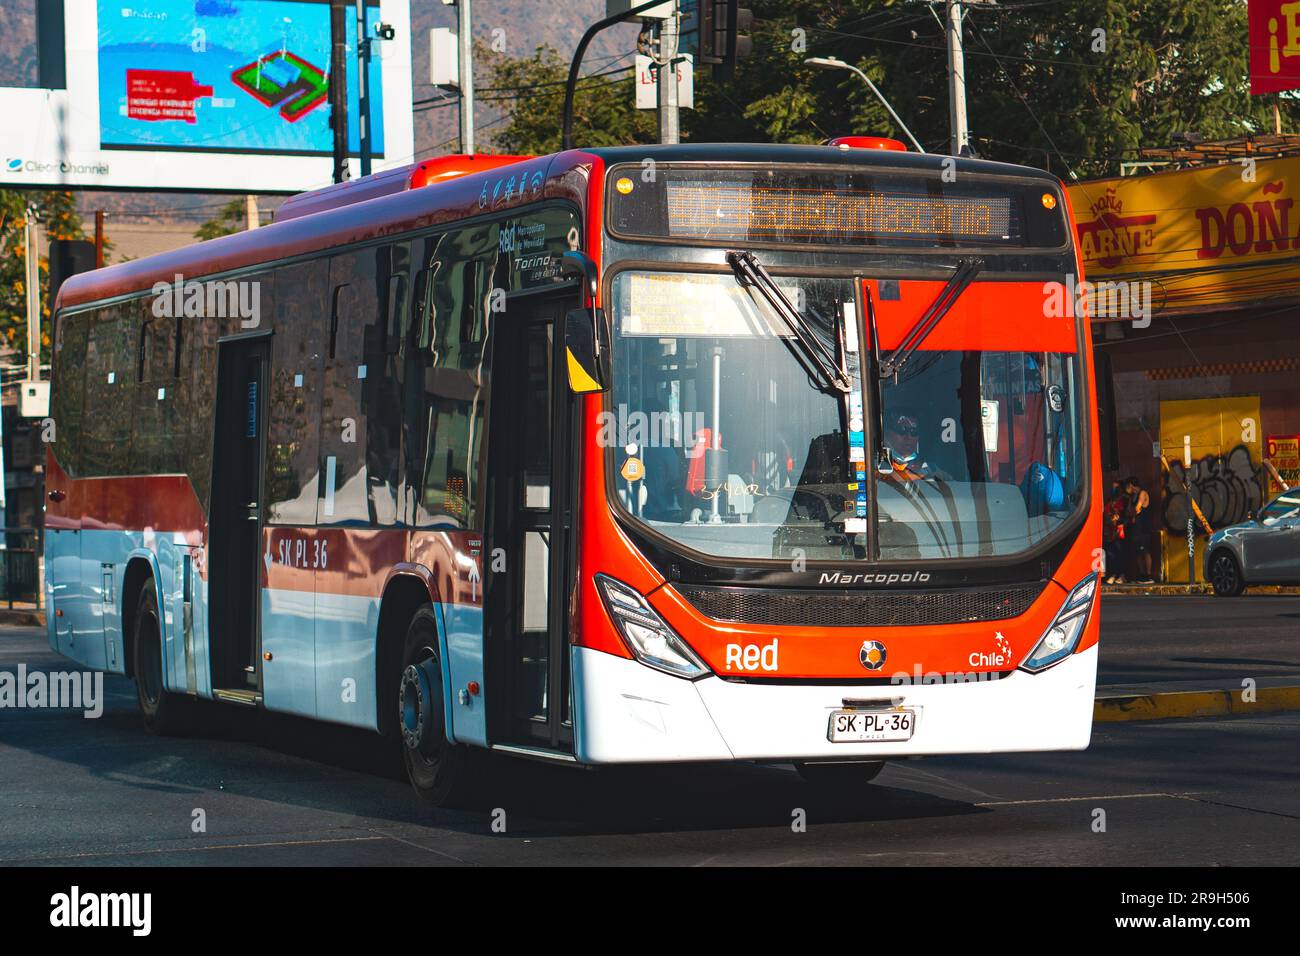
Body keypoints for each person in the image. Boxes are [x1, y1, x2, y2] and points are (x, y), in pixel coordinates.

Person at [881, 408, 945, 481]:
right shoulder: (876, 464)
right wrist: (921, 477)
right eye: (902, 430)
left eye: (914, 431)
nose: (909, 436)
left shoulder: (931, 468)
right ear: (886, 434)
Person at [1126, 486, 1155, 583]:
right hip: (1135, 529)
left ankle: (1149, 575)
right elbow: (1129, 511)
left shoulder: (1142, 493)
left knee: (1145, 551)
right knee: (1138, 552)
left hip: (1143, 528)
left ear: (1131, 485)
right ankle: (1142, 574)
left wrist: (1133, 511)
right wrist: (1133, 512)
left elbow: (1136, 508)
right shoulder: (1132, 496)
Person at [1104, 485, 1128, 583]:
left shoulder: (1121, 502)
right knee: (1113, 555)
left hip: (1116, 532)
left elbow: (1122, 517)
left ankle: (1120, 575)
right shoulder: (1112, 503)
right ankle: (1115, 574)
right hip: (1111, 532)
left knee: (1117, 554)